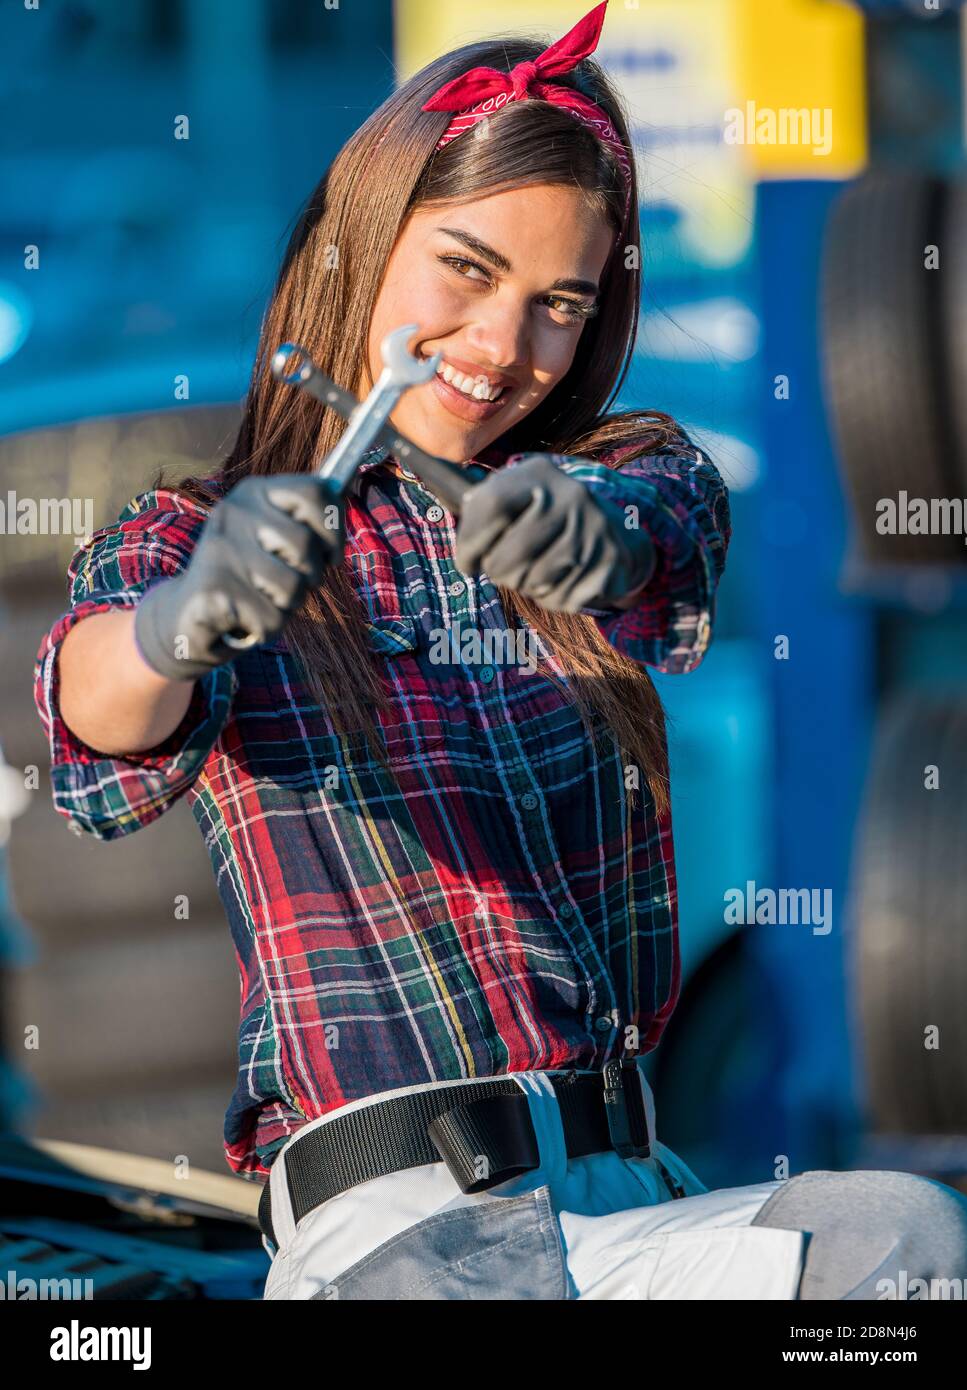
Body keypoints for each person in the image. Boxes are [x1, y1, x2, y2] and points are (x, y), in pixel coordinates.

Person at [34, 1, 967, 1300]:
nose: (503, 345)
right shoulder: (194, 532)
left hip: (632, 1203)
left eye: (559, 304)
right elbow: (91, 728)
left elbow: (661, 533)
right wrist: (182, 620)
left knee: (908, 1245)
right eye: (465, 271)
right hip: (391, 1230)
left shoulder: (618, 477)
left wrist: (593, 538)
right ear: (360, 245)